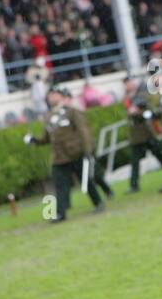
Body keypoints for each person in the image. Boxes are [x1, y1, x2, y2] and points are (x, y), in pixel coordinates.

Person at [24, 88, 105, 221]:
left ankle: (98, 203)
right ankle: (61, 213)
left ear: (61, 97)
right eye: (50, 95)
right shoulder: (48, 116)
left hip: (76, 153)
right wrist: (34, 140)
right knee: (60, 185)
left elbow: (83, 132)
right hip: (59, 157)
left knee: (86, 181)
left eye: (55, 95)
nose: (52, 98)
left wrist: (87, 151)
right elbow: (47, 138)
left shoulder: (72, 112)